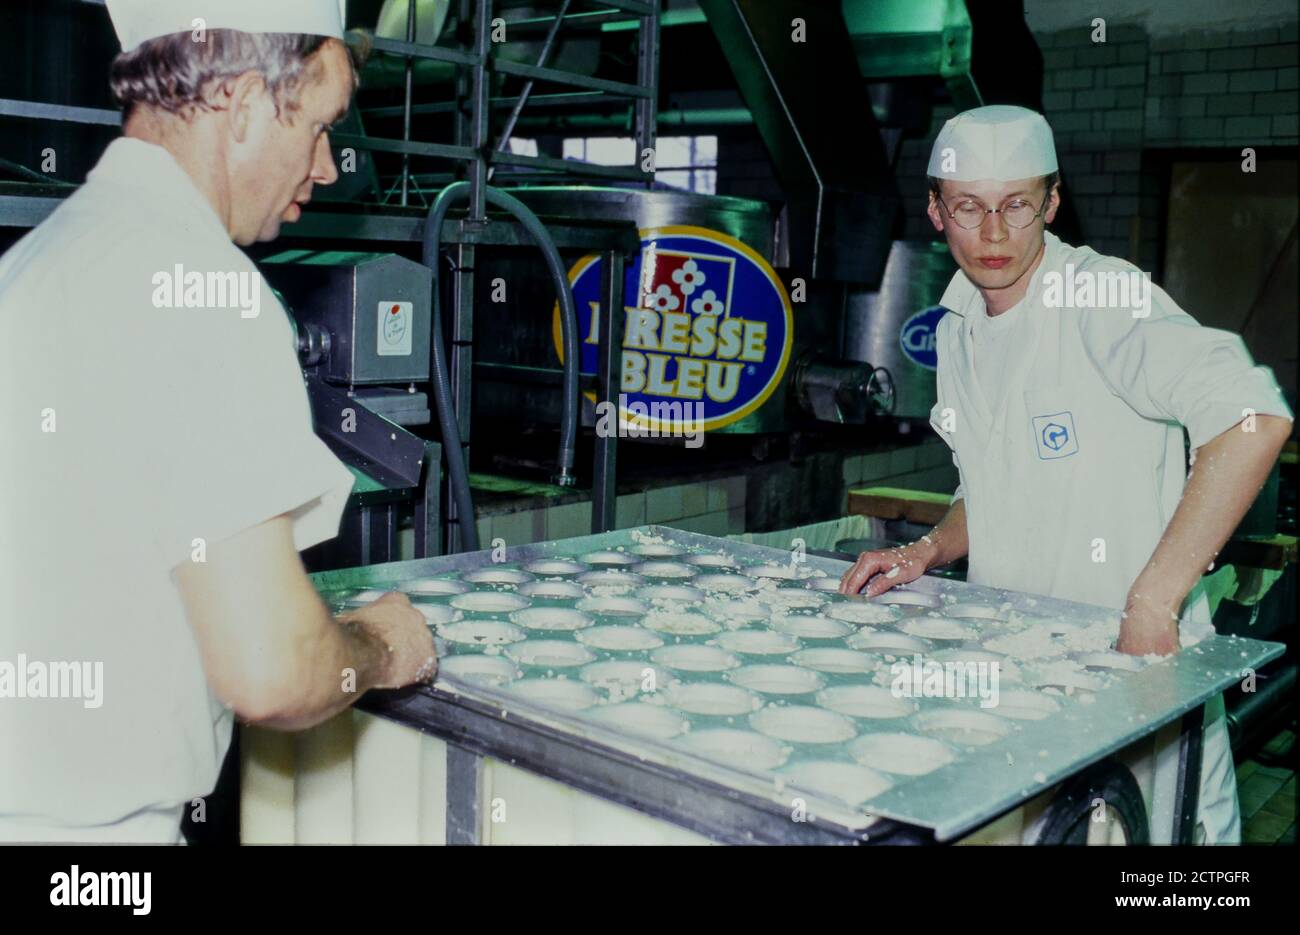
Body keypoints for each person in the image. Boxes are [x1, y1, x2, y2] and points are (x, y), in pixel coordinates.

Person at [0, 0, 434, 843]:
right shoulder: (209, 291)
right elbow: (273, 672)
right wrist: (381, 644)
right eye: (319, 125)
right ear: (241, 104)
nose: (331, 165)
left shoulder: (32, 267)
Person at [840, 105, 1293, 844]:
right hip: (1016, 678)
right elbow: (987, 482)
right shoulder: (956, 325)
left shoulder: (1100, 300)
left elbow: (1253, 418)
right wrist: (927, 551)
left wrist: (1151, 600)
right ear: (934, 211)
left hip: (1133, 679)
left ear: (1051, 203)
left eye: (1016, 205)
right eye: (969, 208)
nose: (992, 233)